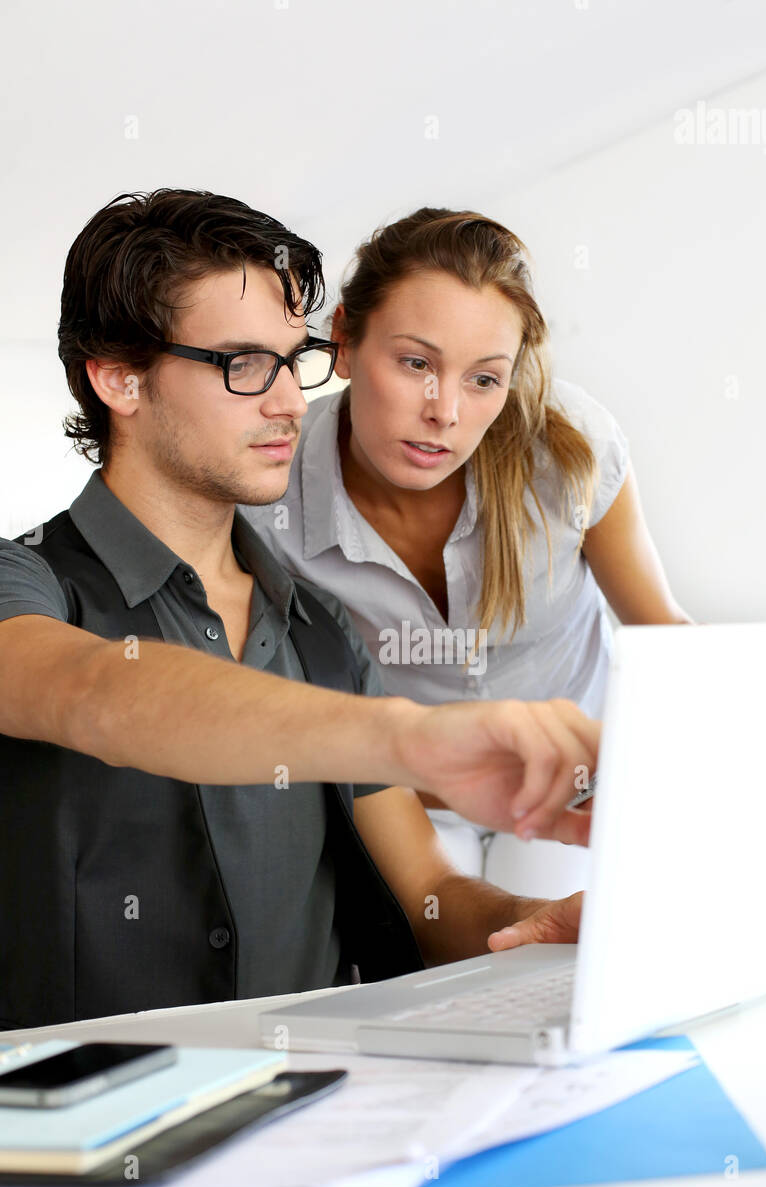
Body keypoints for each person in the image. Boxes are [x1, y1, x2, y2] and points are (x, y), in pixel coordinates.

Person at [0, 189, 600, 1031]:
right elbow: (95, 692)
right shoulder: (23, 587)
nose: (289, 402)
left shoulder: (318, 631)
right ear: (119, 377)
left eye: (294, 359)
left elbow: (427, 894)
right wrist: (408, 733)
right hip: (80, 1141)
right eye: (242, 364)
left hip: (313, 1120)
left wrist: (533, 930)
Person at [240, 207, 691, 897]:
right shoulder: (271, 495)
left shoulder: (572, 449)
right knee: (428, 960)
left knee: (560, 955)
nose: (444, 411)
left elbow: (662, 631)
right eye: (416, 363)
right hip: (412, 797)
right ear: (344, 342)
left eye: (484, 378)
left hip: (574, 788)